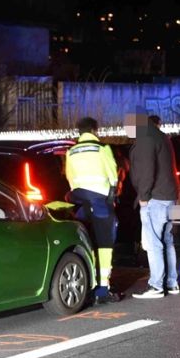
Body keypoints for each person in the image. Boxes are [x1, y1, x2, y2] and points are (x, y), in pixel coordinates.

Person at [65, 117, 120, 303]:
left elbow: (70, 179)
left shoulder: (71, 151)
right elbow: (113, 176)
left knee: (88, 244)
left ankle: (87, 286)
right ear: (95, 130)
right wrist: (112, 194)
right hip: (101, 203)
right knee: (105, 245)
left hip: (80, 204)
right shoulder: (102, 148)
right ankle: (103, 290)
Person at [128, 113, 180, 299]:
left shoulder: (146, 139)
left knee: (153, 243)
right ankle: (172, 283)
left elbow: (146, 170)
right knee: (167, 241)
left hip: (155, 198)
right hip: (169, 196)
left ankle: (156, 286)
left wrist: (143, 196)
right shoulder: (162, 137)